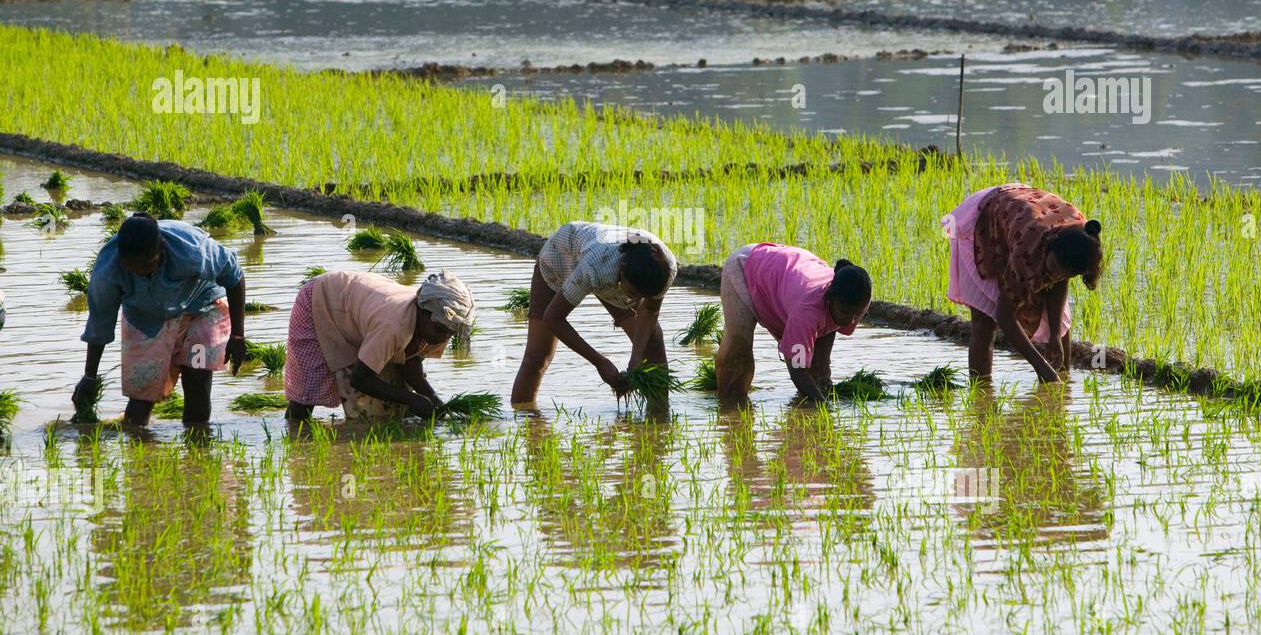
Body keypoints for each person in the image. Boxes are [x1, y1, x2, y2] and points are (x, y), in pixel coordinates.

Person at [72, 212, 246, 426]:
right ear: (121, 258)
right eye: (133, 267)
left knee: (197, 379)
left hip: (201, 308)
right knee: (143, 392)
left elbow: (234, 276)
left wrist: (237, 336)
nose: (141, 272)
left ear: (162, 248)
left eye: (148, 264)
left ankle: (197, 451)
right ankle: (140, 448)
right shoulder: (107, 272)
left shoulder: (191, 250)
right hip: (146, 319)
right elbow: (100, 324)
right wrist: (90, 376)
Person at [945, 183, 1103, 385]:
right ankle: (981, 394)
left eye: (1060, 273)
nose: (1052, 276)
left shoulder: (1080, 238)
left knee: (1061, 328)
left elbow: (1059, 281)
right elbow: (1005, 315)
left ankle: (1062, 384)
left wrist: (1054, 334)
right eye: (1052, 267)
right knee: (985, 321)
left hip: (1020, 214)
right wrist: (1039, 364)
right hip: (986, 220)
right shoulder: (1026, 251)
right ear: (1049, 246)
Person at [511, 221, 677, 405]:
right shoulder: (595, 268)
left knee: (651, 342)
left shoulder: (664, 268)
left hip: (606, 267)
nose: (635, 302)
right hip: (562, 255)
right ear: (621, 275)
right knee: (537, 356)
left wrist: (636, 356)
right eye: (632, 295)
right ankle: (525, 417)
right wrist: (600, 362)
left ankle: (660, 417)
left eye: (642, 297)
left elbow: (650, 310)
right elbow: (553, 318)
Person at [284, 268, 476, 422]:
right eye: (441, 331)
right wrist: (412, 399)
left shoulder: (433, 322)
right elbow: (360, 378)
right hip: (320, 301)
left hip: (359, 313)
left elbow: (410, 360)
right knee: (307, 391)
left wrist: (431, 397)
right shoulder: (393, 325)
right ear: (424, 313)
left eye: (450, 333)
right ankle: (294, 436)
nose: (443, 337)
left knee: (391, 406)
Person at [715, 243, 871, 403]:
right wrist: (823, 406)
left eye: (857, 314)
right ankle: (730, 409)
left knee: (819, 373)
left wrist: (821, 378)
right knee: (738, 354)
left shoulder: (857, 300)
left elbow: (829, 328)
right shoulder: (806, 311)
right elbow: (797, 369)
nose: (851, 320)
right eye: (846, 313)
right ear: (830, 297)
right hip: (748, 266)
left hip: (789, 271)